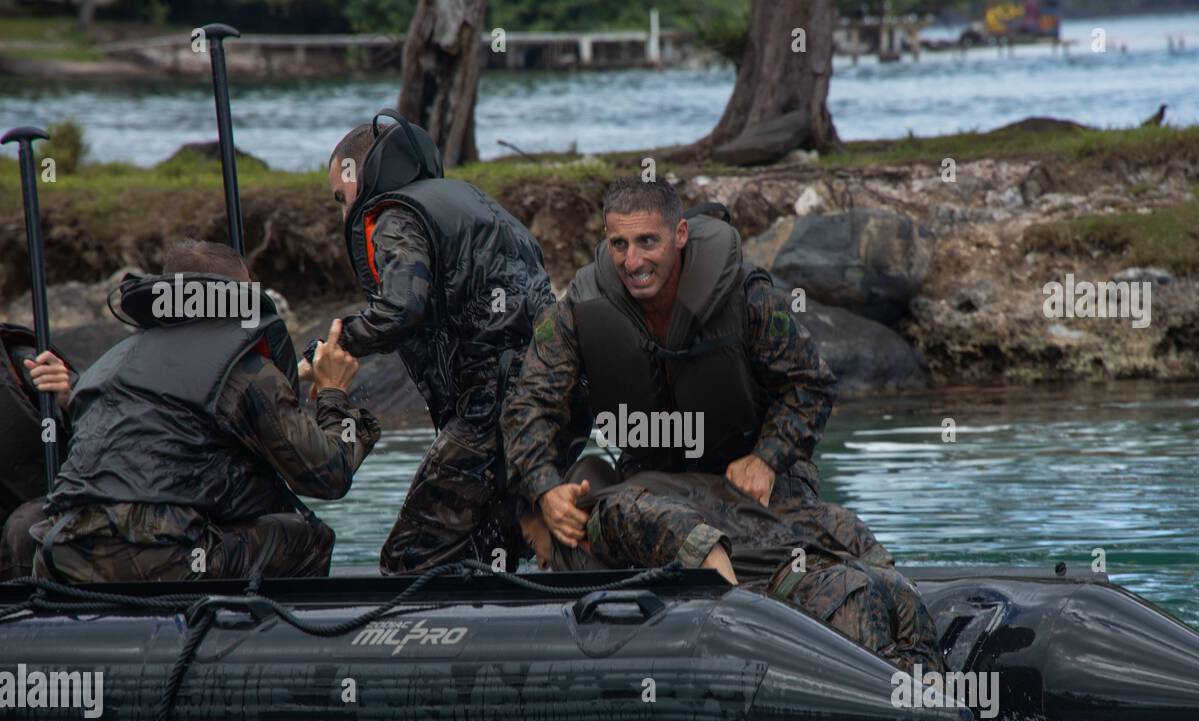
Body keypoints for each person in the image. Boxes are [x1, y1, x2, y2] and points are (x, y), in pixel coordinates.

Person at [503, 177, 837, 554]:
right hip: (651, 490)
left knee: (799, 564)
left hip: (756, 483)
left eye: (648, 241)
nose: (633, 262)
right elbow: (530, 403)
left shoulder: (749, 298)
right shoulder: (577, 310)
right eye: (619, 245)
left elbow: (811, 384)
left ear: (679, 235)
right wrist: (545, 488)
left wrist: (767, 459)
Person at [29, 239, 378, 583]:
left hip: (59, 551)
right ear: (243, 293)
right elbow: (328, 475)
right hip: (163, 558)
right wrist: (333, 393)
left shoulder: (110, 363)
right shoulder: (246, 369)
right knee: (309, 538)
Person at [317, 110, 554, 574]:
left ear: (365, 178)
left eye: (342, 199)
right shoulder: (470, 201)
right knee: (488, 549)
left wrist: (328, 351)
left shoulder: (392, 214)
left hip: (493, 406)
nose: (346, 214)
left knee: (410, 557)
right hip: (546, 400)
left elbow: (402, 309)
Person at [516, 458, 942, 673]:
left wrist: (740, 617)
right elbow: (832, 518)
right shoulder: (697, 486)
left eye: (534, 540)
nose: (538, 559)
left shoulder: (604, 512)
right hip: (883, 586)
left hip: (830, 599)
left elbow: (691, 537)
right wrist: (882, 573)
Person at [0, 325, 74, 579]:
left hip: (43, 510)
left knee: (26, 525)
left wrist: (66, 398)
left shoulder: (24, 363)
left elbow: (97, 426)